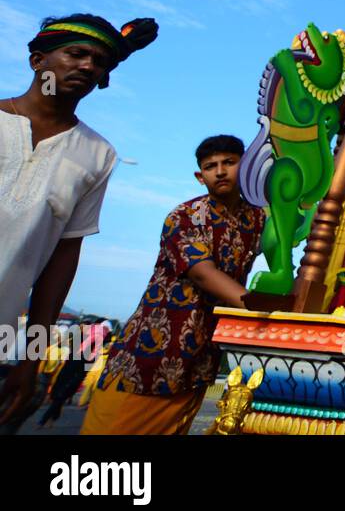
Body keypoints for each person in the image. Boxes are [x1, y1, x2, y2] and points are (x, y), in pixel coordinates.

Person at [0, 14, 157, 428]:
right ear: (38, 61)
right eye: (75, 53)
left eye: (100, 60)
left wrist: (31, 360)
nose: (88, 66)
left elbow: (61, 260)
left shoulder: (97, 154)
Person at [81, 135, 279, 435]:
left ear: (247, 166)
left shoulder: (256, 220)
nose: (221, 171)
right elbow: (201, 273)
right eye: (211, 166)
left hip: (200, 355)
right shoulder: (185, 216)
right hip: (152, 353)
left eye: (229, 162)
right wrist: (256, 306)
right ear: (201, 177)